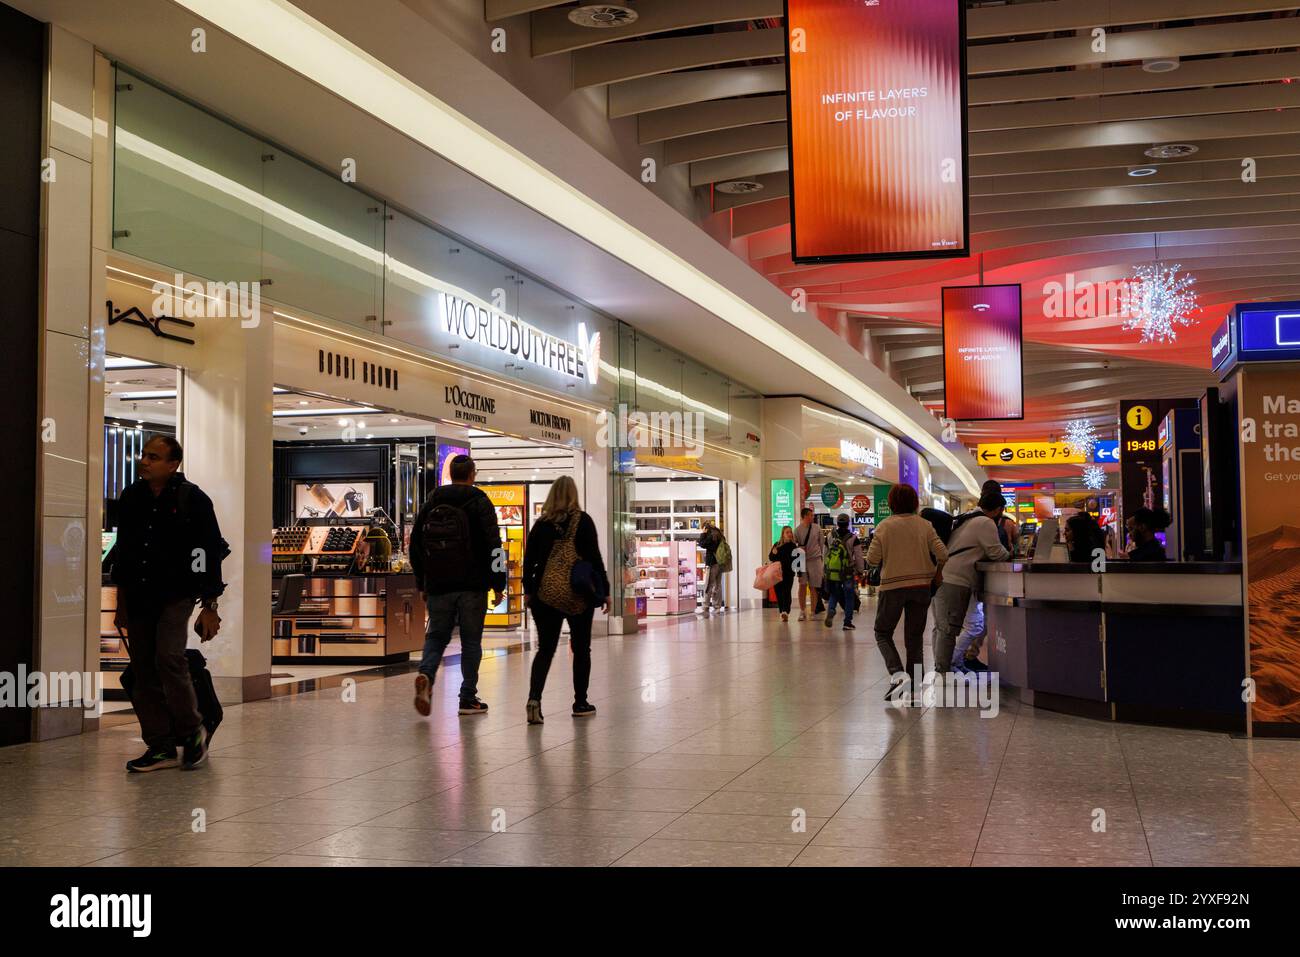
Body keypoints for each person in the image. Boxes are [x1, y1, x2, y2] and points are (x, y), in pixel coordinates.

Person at [109, 436, 226, 772]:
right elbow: (126, 553)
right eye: (144, 455)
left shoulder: (192, 498)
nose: (144, 461)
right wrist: (121, 602)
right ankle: (159, 745)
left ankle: (192, 733)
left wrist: (211, 604)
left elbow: (208, 551)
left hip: (178, 593)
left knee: (169, 658)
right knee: (143, 667)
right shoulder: (132, 497)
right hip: (140, 594)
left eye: (154, 457)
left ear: (173, 464)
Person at [409, 454, 506, 717]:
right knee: (471, 641)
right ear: (472, 474)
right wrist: (499, 584)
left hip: (439, 583)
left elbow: (415, 543)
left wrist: (422, 582)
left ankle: (426, 674)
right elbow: (494, 546)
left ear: (450, 473)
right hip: (473, 585)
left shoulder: (433, 499)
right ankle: (467, 698)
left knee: (437, 635)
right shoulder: (479, 500)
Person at [521, 476, 609, 725]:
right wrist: (605, 590)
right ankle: (580, 702)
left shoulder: (541, 524)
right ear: (573, 494)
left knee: (545, 649)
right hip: (577, 593)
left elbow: (529, 561)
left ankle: (534, 699)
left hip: (545, 594)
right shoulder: (583, 521)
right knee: (581, 648)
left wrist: (529, 590)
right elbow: (595, 557)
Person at [866, 483, 948, 700]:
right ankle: (915, 686)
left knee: (883, 632)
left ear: (892, 503)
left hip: (892, 587)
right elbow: (943, 554)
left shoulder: (884, 526)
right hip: (921, 586)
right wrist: (937, 574)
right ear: (914, 502)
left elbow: (872, 559)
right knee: (914, 638)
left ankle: (899, 676)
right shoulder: (925, 525)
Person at [931, 491, 1010, 674]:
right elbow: (996, 552)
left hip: (943, 576)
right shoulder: (985, 522)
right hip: (956, 580)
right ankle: (945, 670)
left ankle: (946, 666)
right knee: (949, 630)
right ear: (998, 509)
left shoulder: (968, 517)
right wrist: (1010, 554)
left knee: (942, 628)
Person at [823, 513, 864, 630]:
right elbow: (859, 556)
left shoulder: (830, 536)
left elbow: (824, 553)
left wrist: (825, 569)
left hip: (833, 571)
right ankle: (847, 622)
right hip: (847, 571)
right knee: (849, 596)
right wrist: (860, 571)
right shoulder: (853, 538)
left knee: (834, 593)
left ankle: (831, 610)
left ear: (837, 523)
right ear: (848, 524)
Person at [793, 507, 826, 620]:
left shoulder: (817, 528)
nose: (813, 517)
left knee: (814, 586)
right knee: (802, 585)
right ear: (805, 516)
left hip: (815, 559)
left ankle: (813, 611)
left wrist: (821, 558)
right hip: (802, 560)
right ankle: (802, 611)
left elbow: (821, 544)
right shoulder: (797, 530)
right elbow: (794, 546)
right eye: (811, 515)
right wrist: (799, 548)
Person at [698, 519, 731, 614]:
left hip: (712, 563)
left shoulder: (710, 535)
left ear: (705, 528)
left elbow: (702, 544)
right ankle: (717, 607)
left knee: (708, 585)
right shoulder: (719, 534)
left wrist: (703, 534)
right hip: (720, 563)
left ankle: (705, 607)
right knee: (717, 585)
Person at [768, 525, 797, 622]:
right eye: (787, 532)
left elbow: (796, 560)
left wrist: (799, 572)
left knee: (787, 592)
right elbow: (771, 557)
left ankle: (785, 611)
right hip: (777, 573)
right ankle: (782, 612)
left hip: (789, 573)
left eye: (790, 532)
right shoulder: (777, 545)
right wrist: (774, 553)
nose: (789, 534)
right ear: (783, 534)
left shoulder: (793, 546)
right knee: (779, 593)